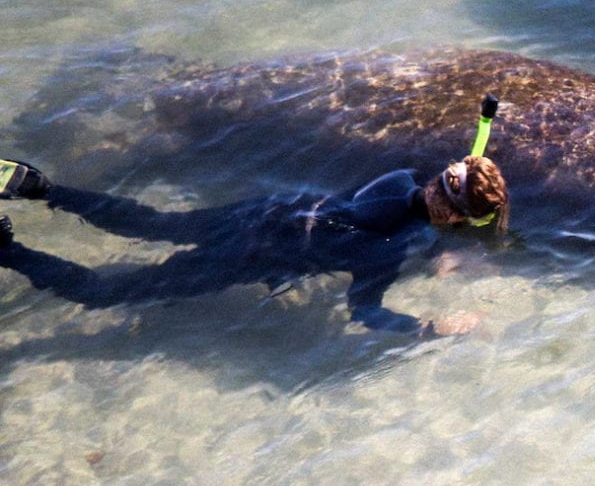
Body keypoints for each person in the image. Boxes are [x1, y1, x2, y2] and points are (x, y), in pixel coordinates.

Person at [0, 152, 508, 338]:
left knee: (157, 223)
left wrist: (437, 245)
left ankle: (41, 187)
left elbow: (404, 214)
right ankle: (8, 251)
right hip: (256, 253)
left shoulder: (401, 177)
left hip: (269, 210)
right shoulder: (389, 249)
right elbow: (364, 312)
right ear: (449, 211)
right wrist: (427, 328)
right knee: (104, 294)